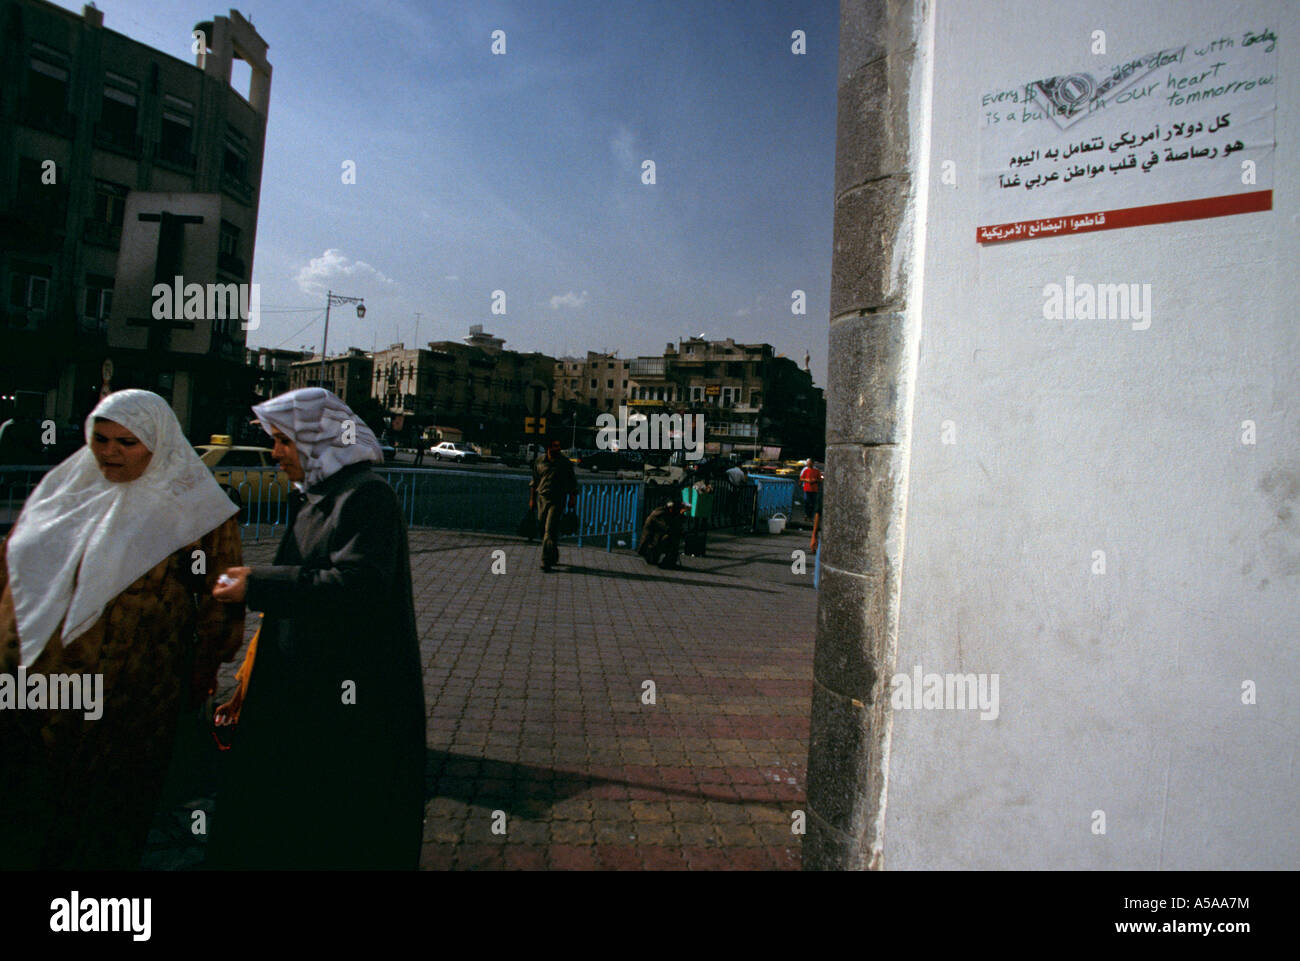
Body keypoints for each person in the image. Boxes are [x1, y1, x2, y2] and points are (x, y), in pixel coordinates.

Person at [0, 389, 245, 869]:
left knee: (109, 811)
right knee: (31, 803)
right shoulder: (66, 488)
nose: (109, 452)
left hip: (133, 692)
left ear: (159, 443)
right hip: (38, 685)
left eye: (127, 443)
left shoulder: (194, 508)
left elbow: (218, 595)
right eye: (101, 438)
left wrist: (205, 666)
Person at [208, 387, 426, 870]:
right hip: (308, 685)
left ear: (316, 439)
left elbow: (357, 587)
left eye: (284, 441)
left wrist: (257, 583)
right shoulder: (320, 494)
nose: (275, 453)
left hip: (347, 696)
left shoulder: (367, 497)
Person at [529, 437, 578, 572]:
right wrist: (532, 499)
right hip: (541, 499)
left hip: (558, 500)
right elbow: (534, 481)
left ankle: (546, 560)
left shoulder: (565, 463)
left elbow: (572, 482)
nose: (558, 449)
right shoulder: (539, 461)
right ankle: (553, 554)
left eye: (559, 446)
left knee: (549, 529)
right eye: (554, 446)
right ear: (548, 448)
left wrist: (572, 498)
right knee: (543, 528)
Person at [638, 500, 689, 569]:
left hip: (655, 541)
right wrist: (679, 516)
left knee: (672, 536)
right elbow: (668, 528)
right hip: (650, 544)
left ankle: (666, 560)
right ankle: (668, 561)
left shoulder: (665, 512)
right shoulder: (659, 515)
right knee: (671, 538)